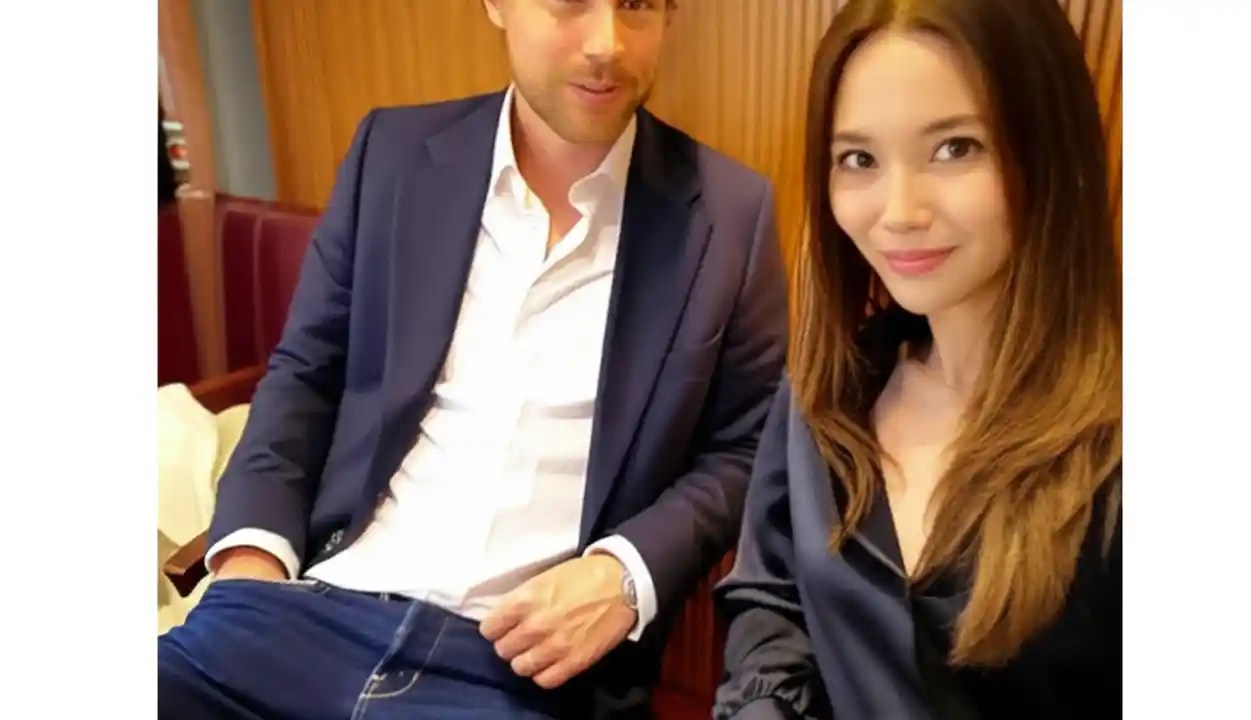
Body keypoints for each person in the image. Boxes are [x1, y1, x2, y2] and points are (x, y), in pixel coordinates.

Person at [158, 0, 787, 717]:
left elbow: (747, 445)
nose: (607, 43)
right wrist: (250, 563)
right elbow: (307, 371)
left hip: (519, 666)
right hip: (308, 610)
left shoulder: (731, 214)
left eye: (638, 4)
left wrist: (624, 572)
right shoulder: (391, 153)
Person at [713, 0, 1121, 718]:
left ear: (1049, 146)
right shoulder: (827, 394)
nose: (898, 209)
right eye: (859, 159)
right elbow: (773, 603)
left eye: (956, 147)